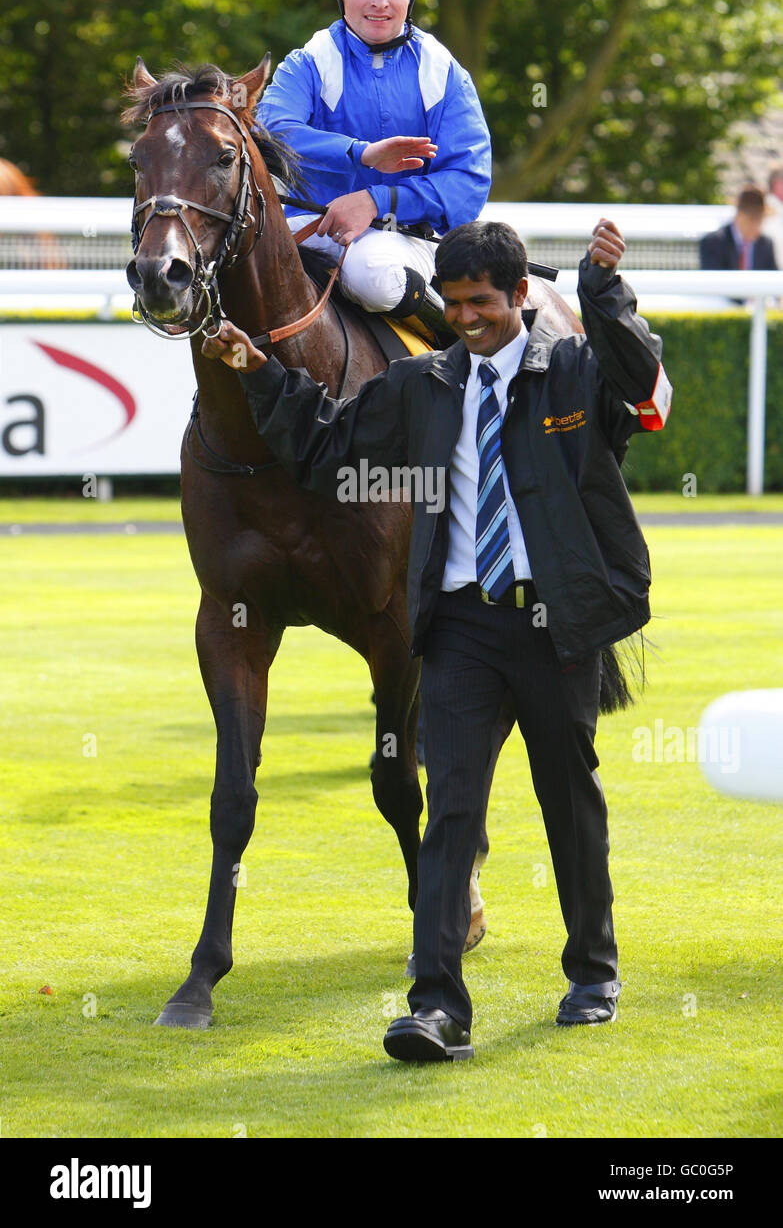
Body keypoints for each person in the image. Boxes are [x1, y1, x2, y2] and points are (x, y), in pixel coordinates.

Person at [202, 218, 672, 1062]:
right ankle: (436, 1006)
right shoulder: (423, 383)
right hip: (458, 628)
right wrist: (260, 371)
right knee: (449, 809)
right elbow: (323, 442)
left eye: (482, 303)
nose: (466, 318)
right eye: (453, 303)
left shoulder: (570, 368)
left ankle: (592, 974)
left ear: (520, 295)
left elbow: (643, 389)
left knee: (567, 800)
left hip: (554, 625)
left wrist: (603, 290)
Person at [257, 0, 492, 333]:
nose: (379, 2)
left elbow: (468, 180)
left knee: (372, 275)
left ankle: (455, 347)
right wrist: (361, 155)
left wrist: (376, 201)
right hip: (310, 229)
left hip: (403, 241)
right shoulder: (308, 62)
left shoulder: (443, 71)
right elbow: (272, 131)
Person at [699, 184, 776, 303]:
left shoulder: (765, 243)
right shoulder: (713, 242)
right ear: (739, 216)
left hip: (759, 311)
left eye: (759, 220)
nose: (756, 226)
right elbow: (713, 286)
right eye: (752, 219)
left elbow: (773, 280)